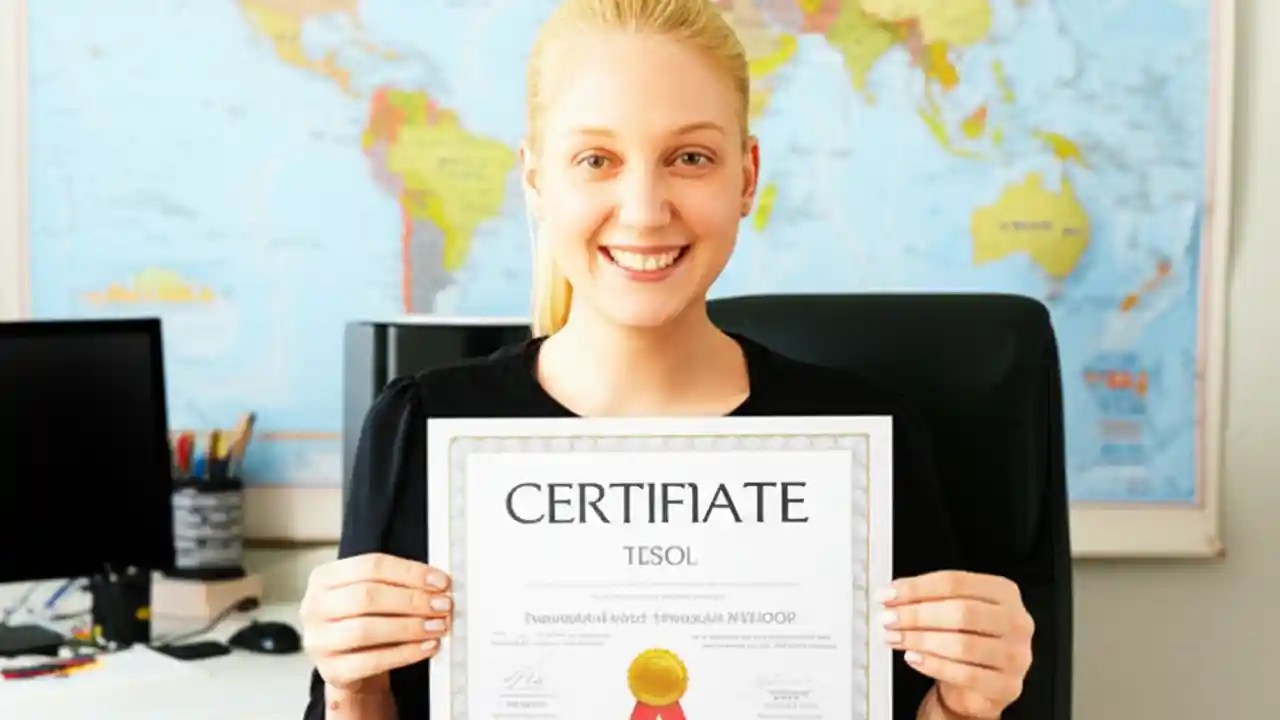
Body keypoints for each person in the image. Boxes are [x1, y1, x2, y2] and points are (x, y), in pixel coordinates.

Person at [299, 1, 1035, 718]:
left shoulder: (868, 438)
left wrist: (964, 707)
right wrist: (352, 691)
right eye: (596, 159)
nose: (645, 208)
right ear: (535, 179)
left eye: (690, 157)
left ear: (745, 177)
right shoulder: (422, 429)